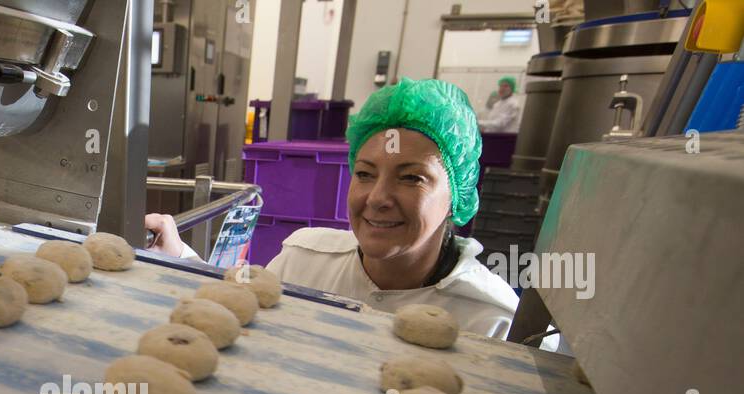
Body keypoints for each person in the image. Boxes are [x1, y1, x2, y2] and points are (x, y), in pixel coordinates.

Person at [145, 78, 520, 338]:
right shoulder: (304, 262)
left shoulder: (492, 320)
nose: (377, 198)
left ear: (457, 194)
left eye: (411, 178)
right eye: (365, 173)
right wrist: (178, 255)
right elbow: (234, 310)